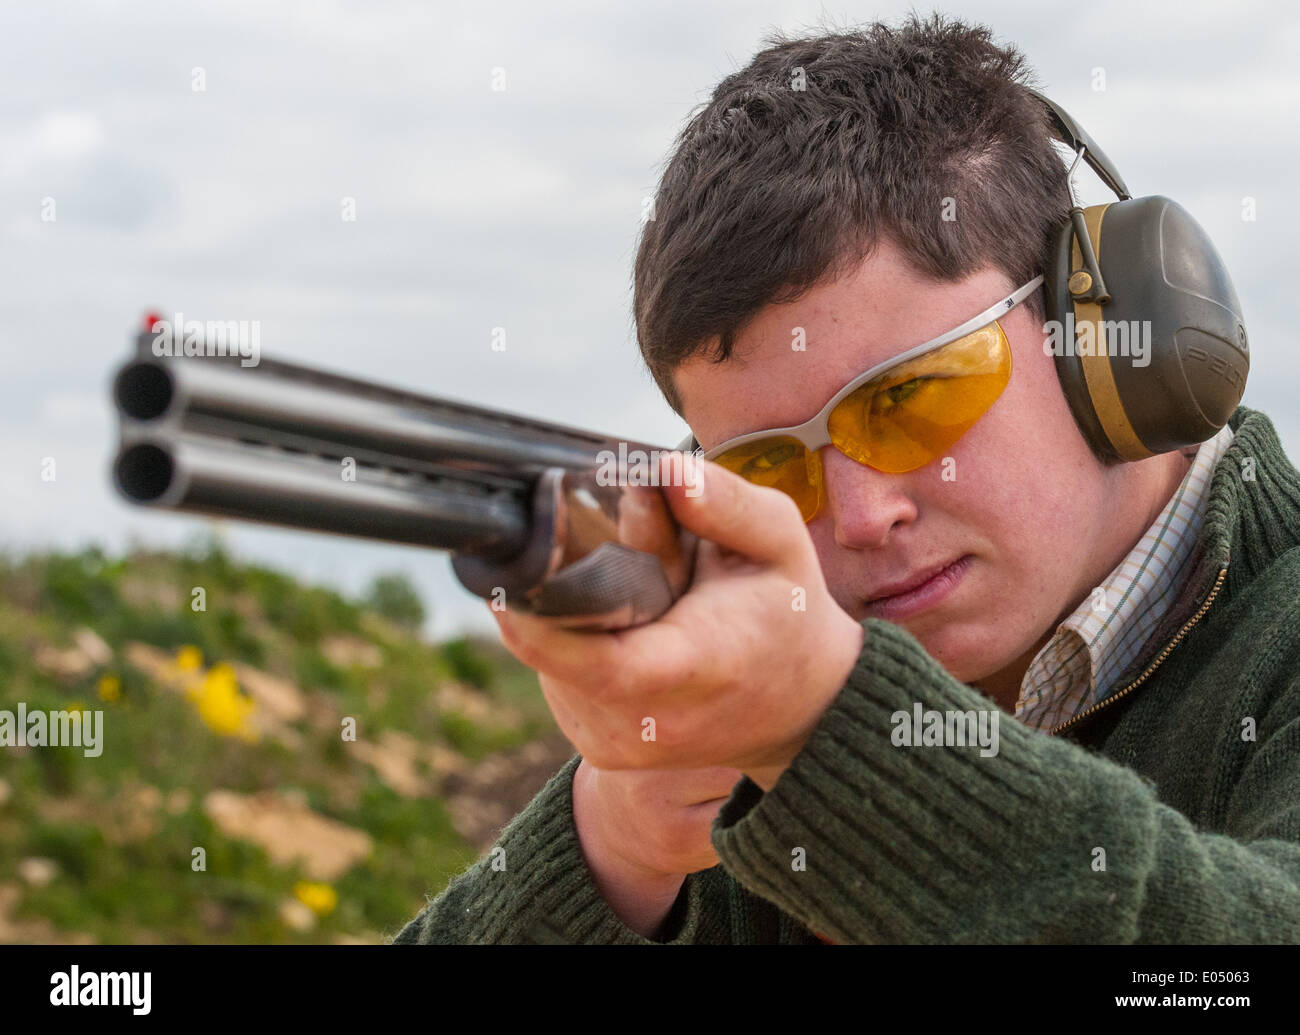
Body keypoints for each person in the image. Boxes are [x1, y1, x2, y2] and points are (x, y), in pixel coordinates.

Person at [390, 14, 1299, 944]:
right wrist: (613, 851)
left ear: (1097, 333)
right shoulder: (767, 725)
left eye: (910, 398)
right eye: (770, 467)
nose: (862, 518)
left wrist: (829, 732)